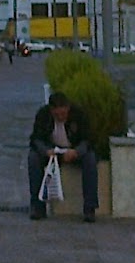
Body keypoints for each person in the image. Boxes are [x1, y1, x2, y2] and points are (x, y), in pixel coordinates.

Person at [27, 91, 100, 223]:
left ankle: (90, 208)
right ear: (51, 111)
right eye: (57, 115)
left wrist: (76, 151)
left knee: (90, 159)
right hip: (53, 152)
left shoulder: (79, 114)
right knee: (33, 158)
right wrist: (46, 151)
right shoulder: (43, 115)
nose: (60, 117)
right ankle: (37, 206)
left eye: (63, 114)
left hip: (73, 150)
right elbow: (35, 139)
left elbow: (88, 139)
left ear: (68, 108)